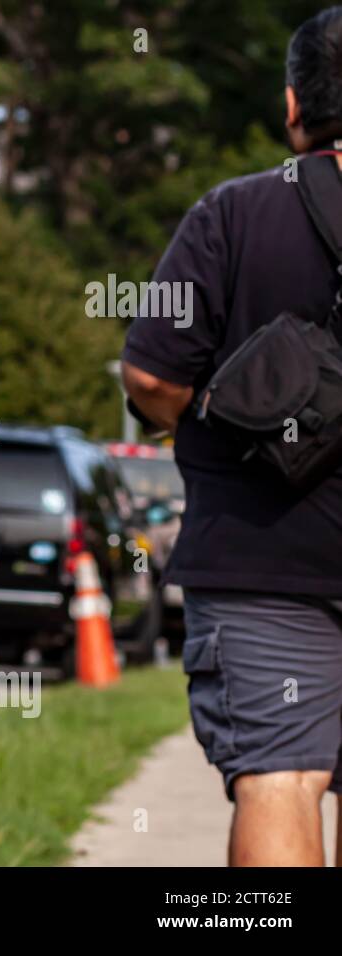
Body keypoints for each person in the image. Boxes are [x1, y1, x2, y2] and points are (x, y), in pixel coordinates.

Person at [122, 7, 342, 867]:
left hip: (259, 560)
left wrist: (228, 431)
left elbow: (149, 376)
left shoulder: (233, 213)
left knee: (282, 779)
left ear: (294, 104)